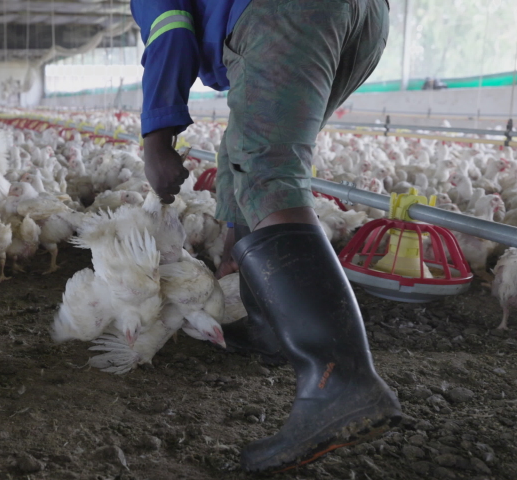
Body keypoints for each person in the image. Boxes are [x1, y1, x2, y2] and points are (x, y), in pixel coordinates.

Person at [131, 0, 401, 474]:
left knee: (269, 172)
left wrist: (157, 140)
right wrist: (235, 235)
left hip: (286, 12)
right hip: (364, 19)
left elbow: (169, 29)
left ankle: (340, 383)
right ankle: (269, 320)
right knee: (247, 152)